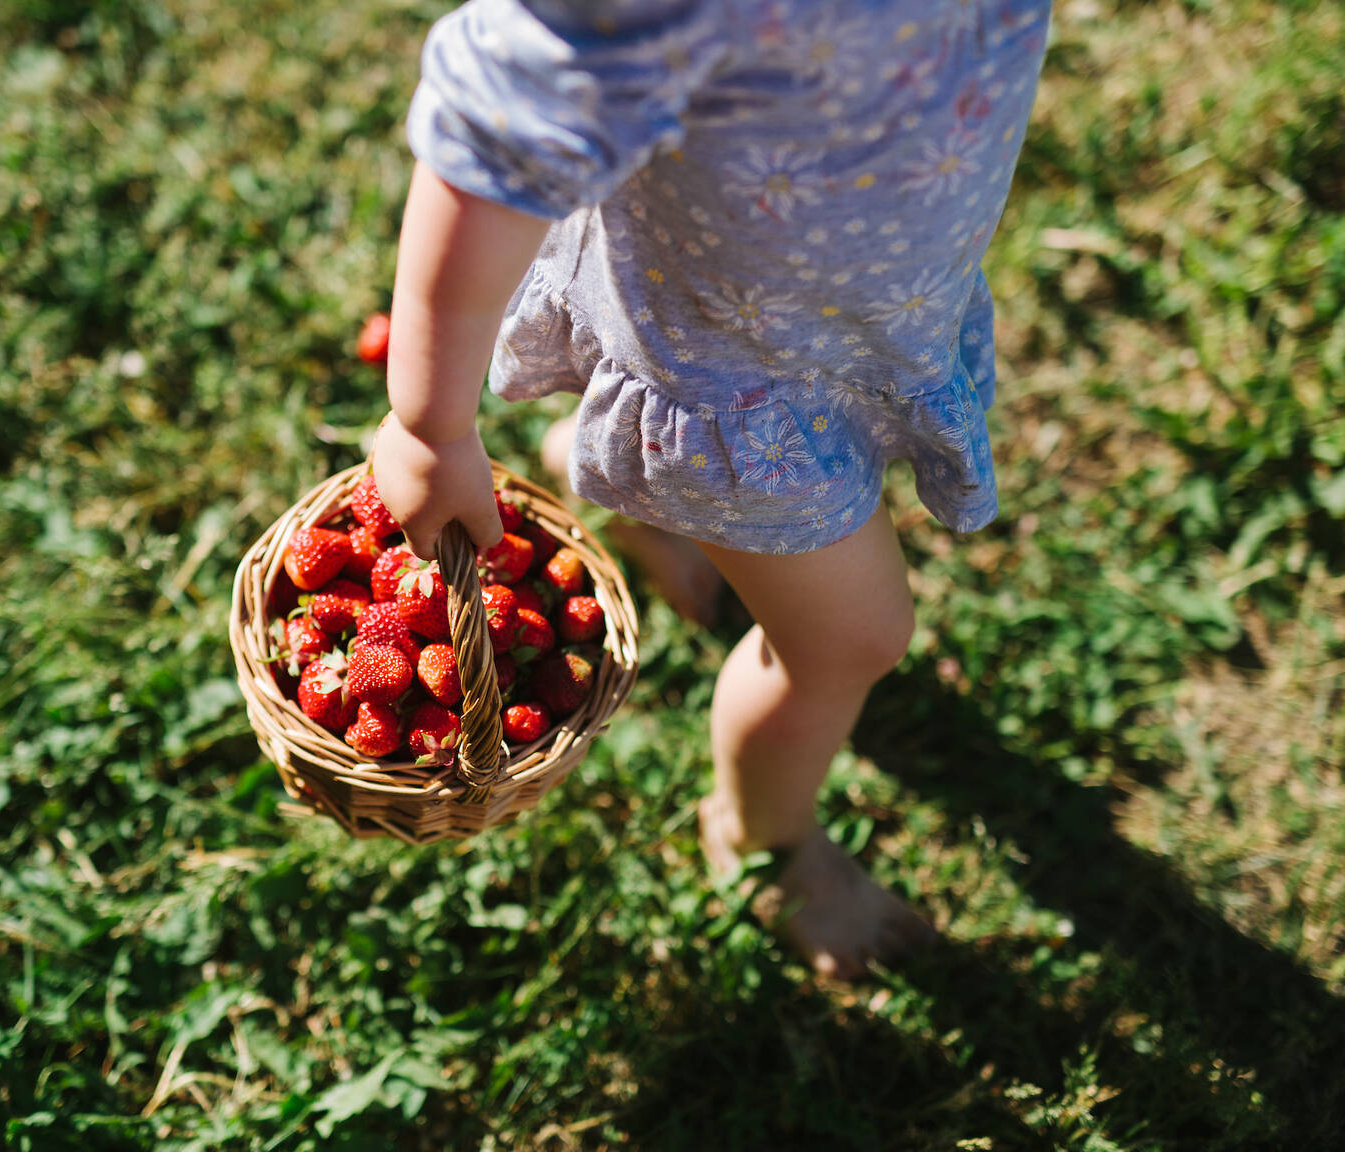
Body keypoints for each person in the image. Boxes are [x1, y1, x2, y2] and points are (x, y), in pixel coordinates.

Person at [371, 0, 1050, 978]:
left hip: (862, 301)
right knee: (850, 643)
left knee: (837, 617)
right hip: (732, 385)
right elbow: (494, 133)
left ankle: (620, 488)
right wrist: (431, 422)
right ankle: (762, 838)